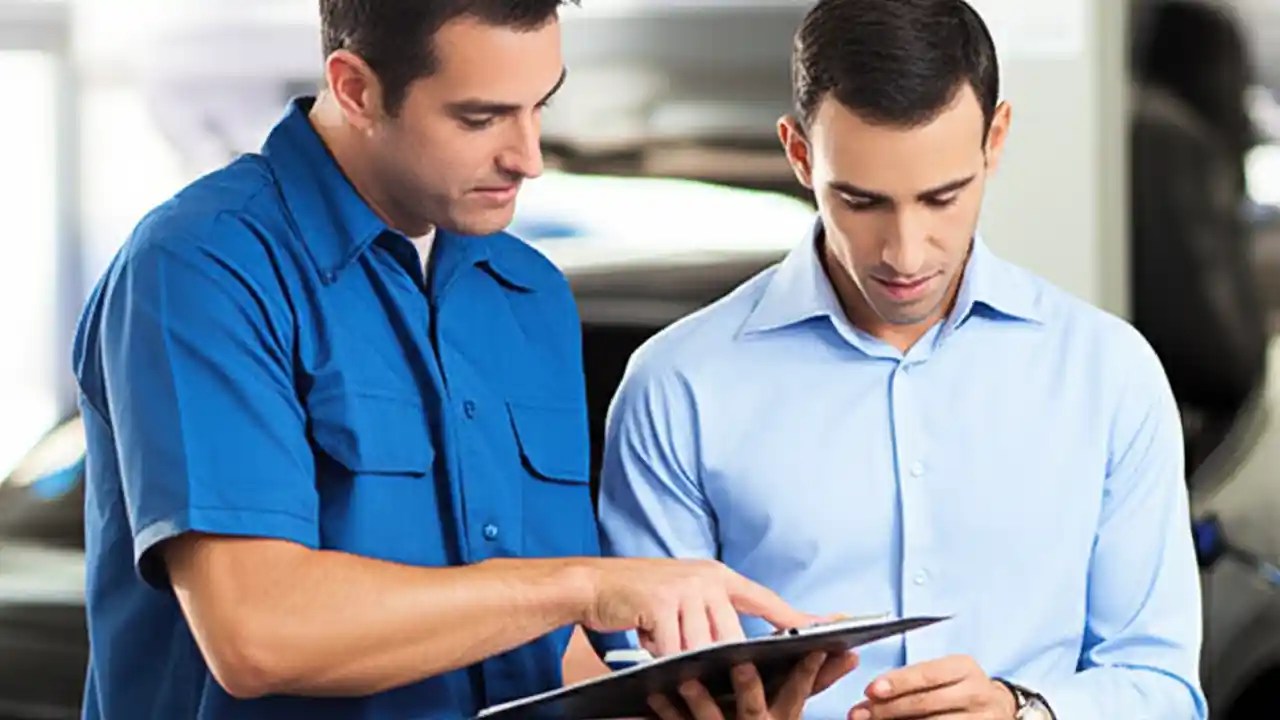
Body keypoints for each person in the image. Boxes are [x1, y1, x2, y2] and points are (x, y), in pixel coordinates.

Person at [70, 2, 855, 718]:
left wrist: (693, 699)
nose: (529, 157)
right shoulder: (202, 267)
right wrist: (589, 587)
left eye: (539, 106)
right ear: (355, 89)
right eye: (481, 117)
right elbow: (258, 633)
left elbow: (536, 649)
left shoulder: (527, 292)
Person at [598, 1, 1207, 719]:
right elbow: (636, 684)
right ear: (799, 155)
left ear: (996, 139)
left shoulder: (1108, 376)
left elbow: (1162, 689)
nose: (905, 254)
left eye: (943, 198)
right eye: (860, 202)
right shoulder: (676, 386)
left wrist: (1022, 712)